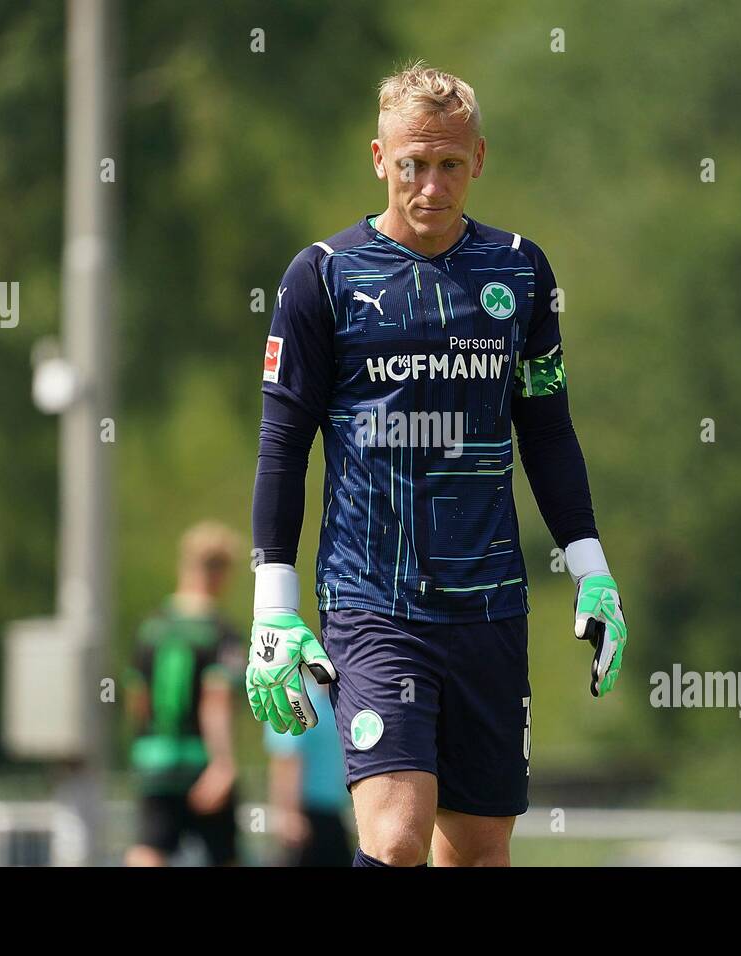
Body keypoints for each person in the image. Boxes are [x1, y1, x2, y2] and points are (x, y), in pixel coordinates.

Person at [245, 61, 628, 867]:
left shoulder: (521, 273)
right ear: (378, 157)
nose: (429, 184)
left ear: (478, 160)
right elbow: (283, 441)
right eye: (412, 163)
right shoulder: (321, 276)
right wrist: (272, 602)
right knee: (395, 839)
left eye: (448, 164)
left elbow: (549, 432)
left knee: (479, 853)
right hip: (372, 599)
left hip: (489, 604)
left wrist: (592, 568)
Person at [124, 522, 245, 866]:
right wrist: (222, 764)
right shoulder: (222, 633)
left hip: (155, 758)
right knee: (224, 855)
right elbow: (216, 700)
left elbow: (138, 699)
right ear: (221, 572)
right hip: (201, 762)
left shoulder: (151, 627)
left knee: (149, 849)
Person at [264, 673, 354, 866]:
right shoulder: (297, 701)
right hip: (305, 815)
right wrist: (289, 814)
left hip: (331, 814)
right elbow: (286, 760)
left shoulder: (336, 705)